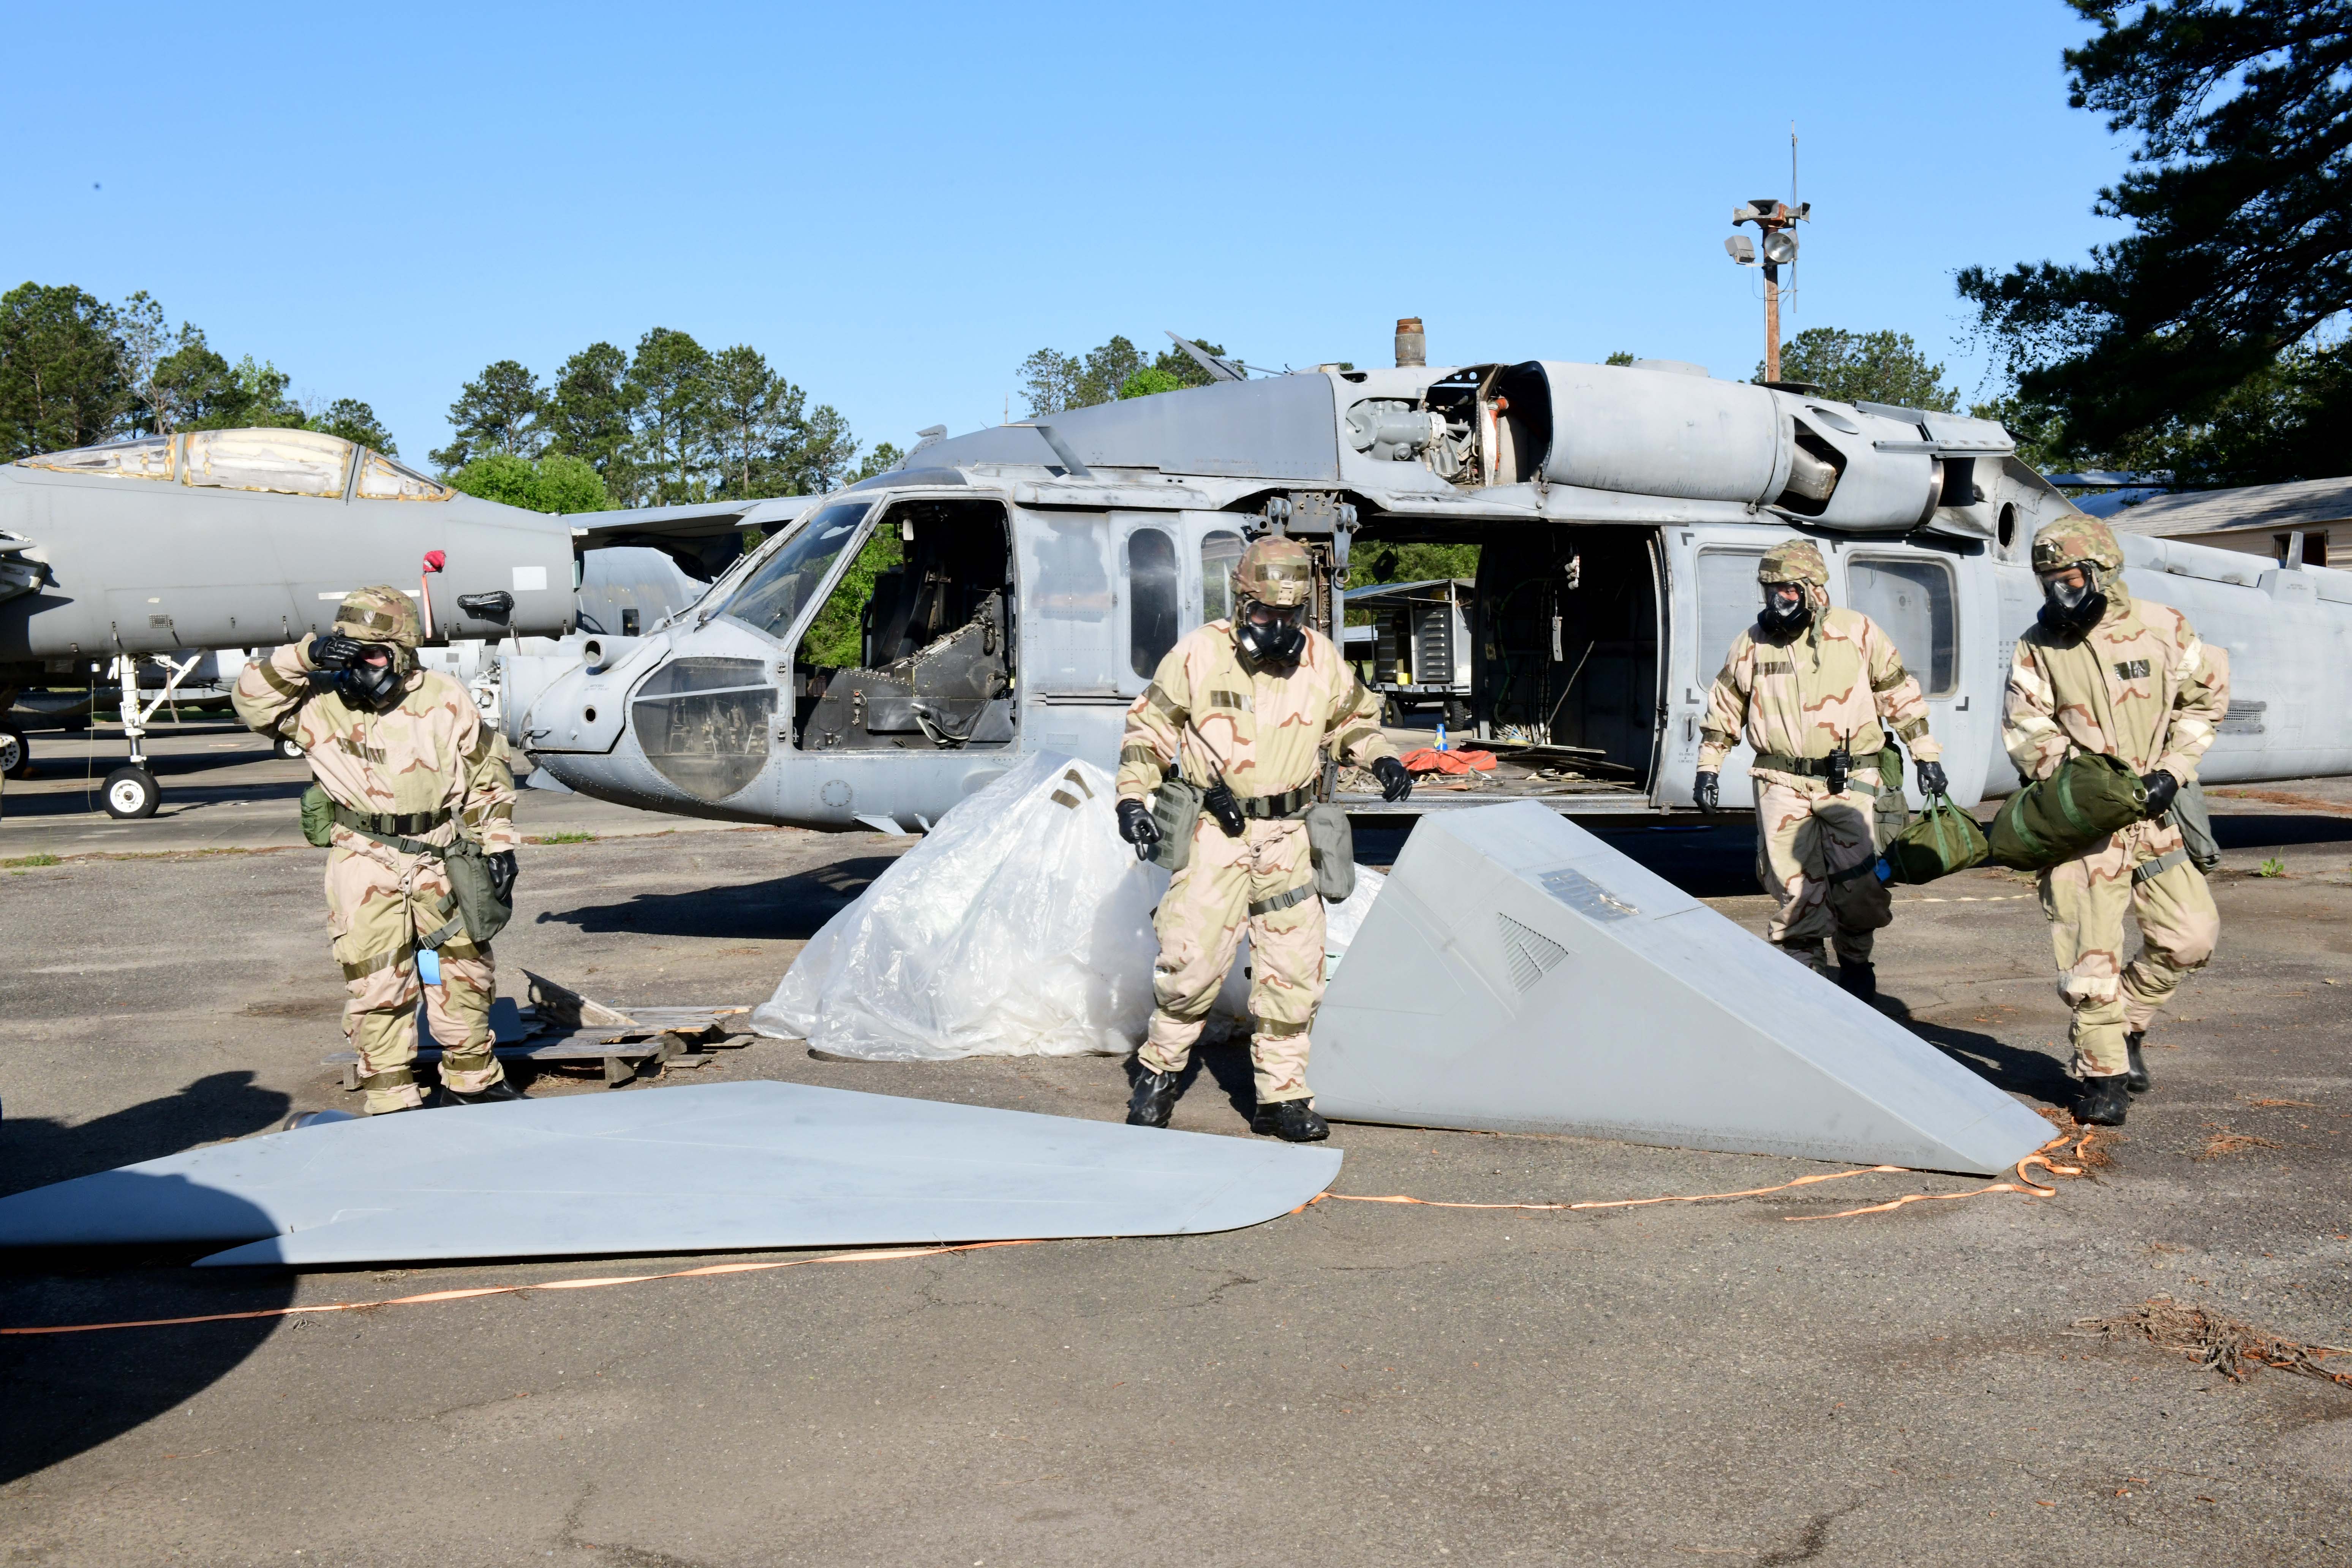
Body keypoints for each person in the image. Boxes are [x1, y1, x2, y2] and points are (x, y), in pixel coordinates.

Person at [1113, 535, 1412, 1141]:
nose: (1276, 626)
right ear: (1241, 599)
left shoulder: (1321, 660)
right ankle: (1160, 1073)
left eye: (1289, 614)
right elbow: (1149, 728)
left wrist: (1379, 757)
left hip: (1289, 838)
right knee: (1192, 964)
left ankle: (1282, 1097)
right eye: (1263, 613)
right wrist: (1130, 796)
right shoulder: (1198, 654)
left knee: (1294, 972)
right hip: (1215, 835)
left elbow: (1356, 720)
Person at [232, 587, 522, 1115]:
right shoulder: (319, 699)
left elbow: (488, 771)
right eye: (349, 650)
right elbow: (250, 700)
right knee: (378, 981)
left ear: (403, 652)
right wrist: (306, 657)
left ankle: (472, 1080)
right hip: (363, 859)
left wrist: (498, 842)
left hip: (440, 855)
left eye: (373, 653)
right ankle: (392, 1097)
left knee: (462, 971)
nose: (360, 666)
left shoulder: (443, 695)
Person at [2004, 517, 2226, 1127]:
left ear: (2102, 572)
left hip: (2157, 819)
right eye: (2048, 582)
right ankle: (2102, 1074)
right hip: (2084, 827)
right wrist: (2088, 789)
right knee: (2089, 956)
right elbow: (2027, 729)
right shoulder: (2037, 646)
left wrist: (2174, 771)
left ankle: (2128, 1025)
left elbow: (2203, 701)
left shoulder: (2165, 628)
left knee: (2191, 936)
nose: (2059, 593)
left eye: (2070, 579)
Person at [1694, 538, 1946, 1002]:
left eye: (1788, 590)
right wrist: (1709, 767)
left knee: (1859, 889)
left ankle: (1855, 959)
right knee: (1794, 891)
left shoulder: (1859, 633)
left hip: (1850, 781)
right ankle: (1807, 990)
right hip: (1780, 782)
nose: (1778, 600)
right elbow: (1725, 707)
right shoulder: (1752, 642)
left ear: (1815, 590)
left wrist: (1926, 756)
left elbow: (1900, 696)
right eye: (1770, 590)